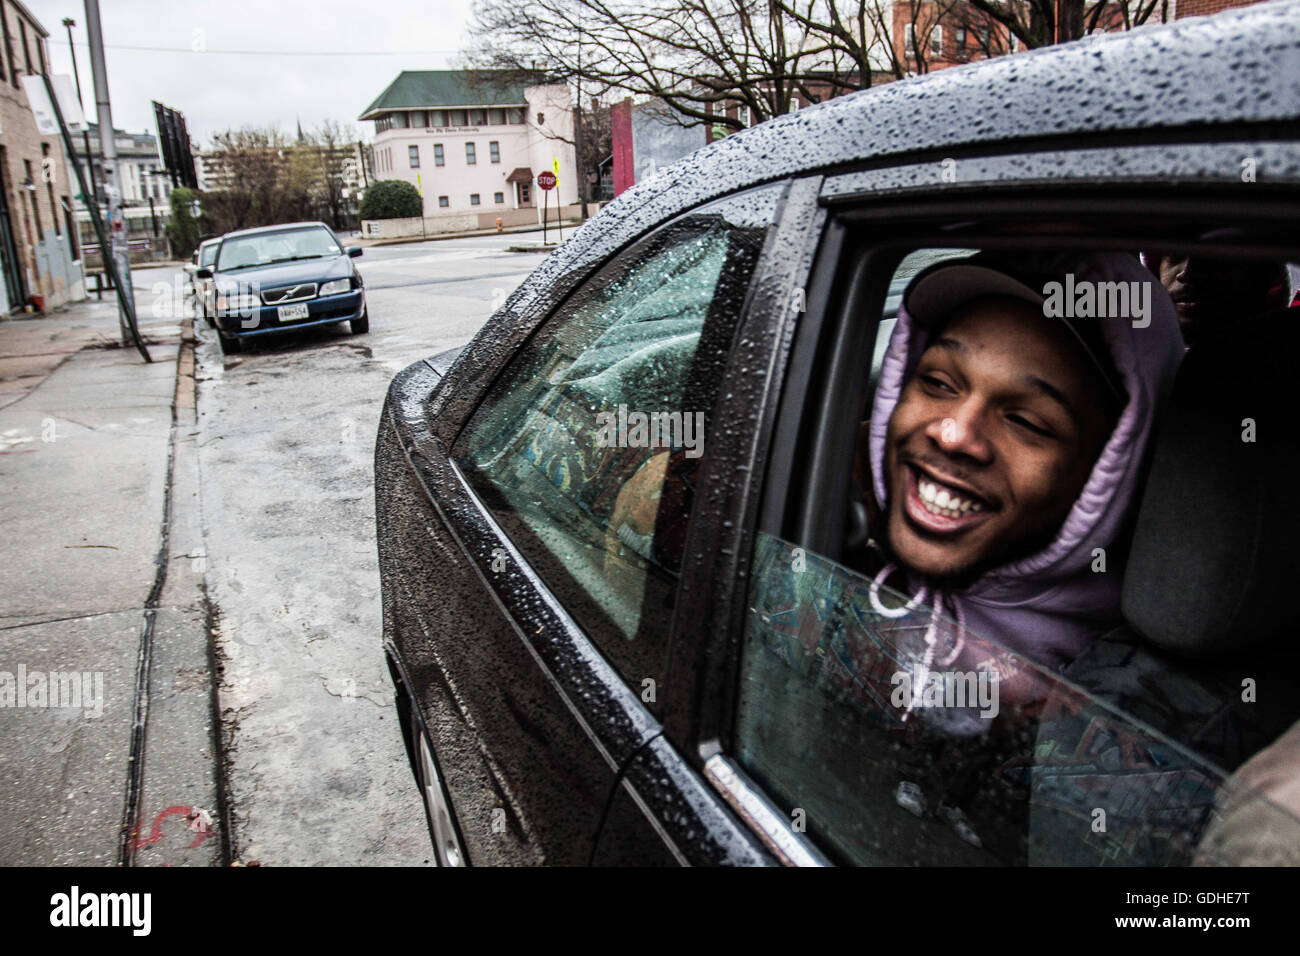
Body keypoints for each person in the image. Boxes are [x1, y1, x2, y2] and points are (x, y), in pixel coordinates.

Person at [856, 251, 1185, 853]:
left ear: (1110, 471)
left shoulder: (1122, 715)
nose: (954, 433)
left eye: (1028, 421)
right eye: (936, 383)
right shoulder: (844, 572)